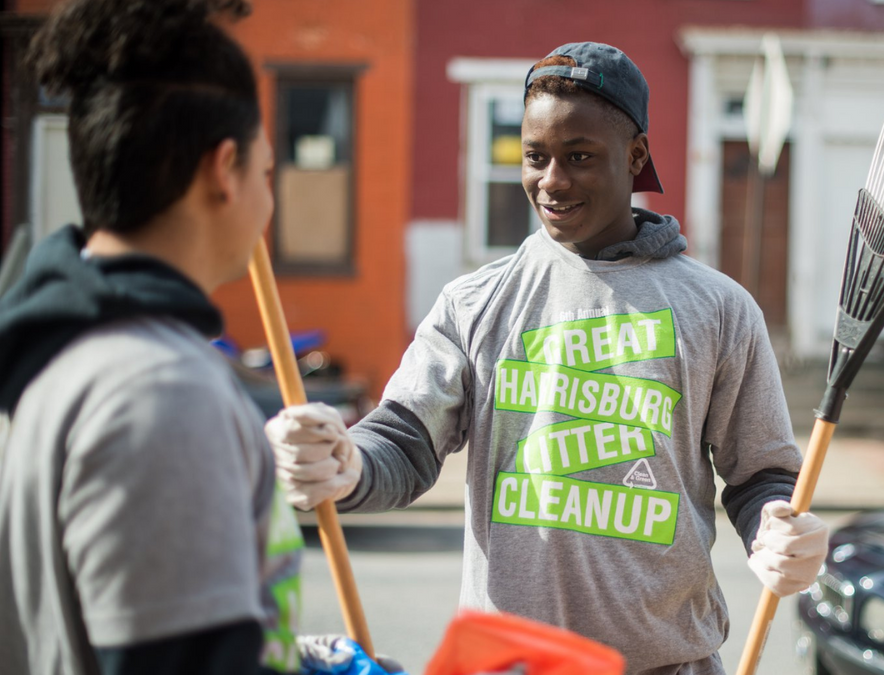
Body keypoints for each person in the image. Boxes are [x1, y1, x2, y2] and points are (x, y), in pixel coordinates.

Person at [267, 42, 829, 675]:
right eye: (535, 157)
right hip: (508, 664)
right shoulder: (475, 301)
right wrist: (345, 465)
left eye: (580, 157)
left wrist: (777, 533)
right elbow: (404, 442)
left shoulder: (719, 308)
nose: (552, 181)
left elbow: (760, 476)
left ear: (636, 156)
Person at [0, 2, 395, 674]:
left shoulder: (54, 358)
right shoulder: (162, 392)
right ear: (223, 170)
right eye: (266, 173)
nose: (267, 204)